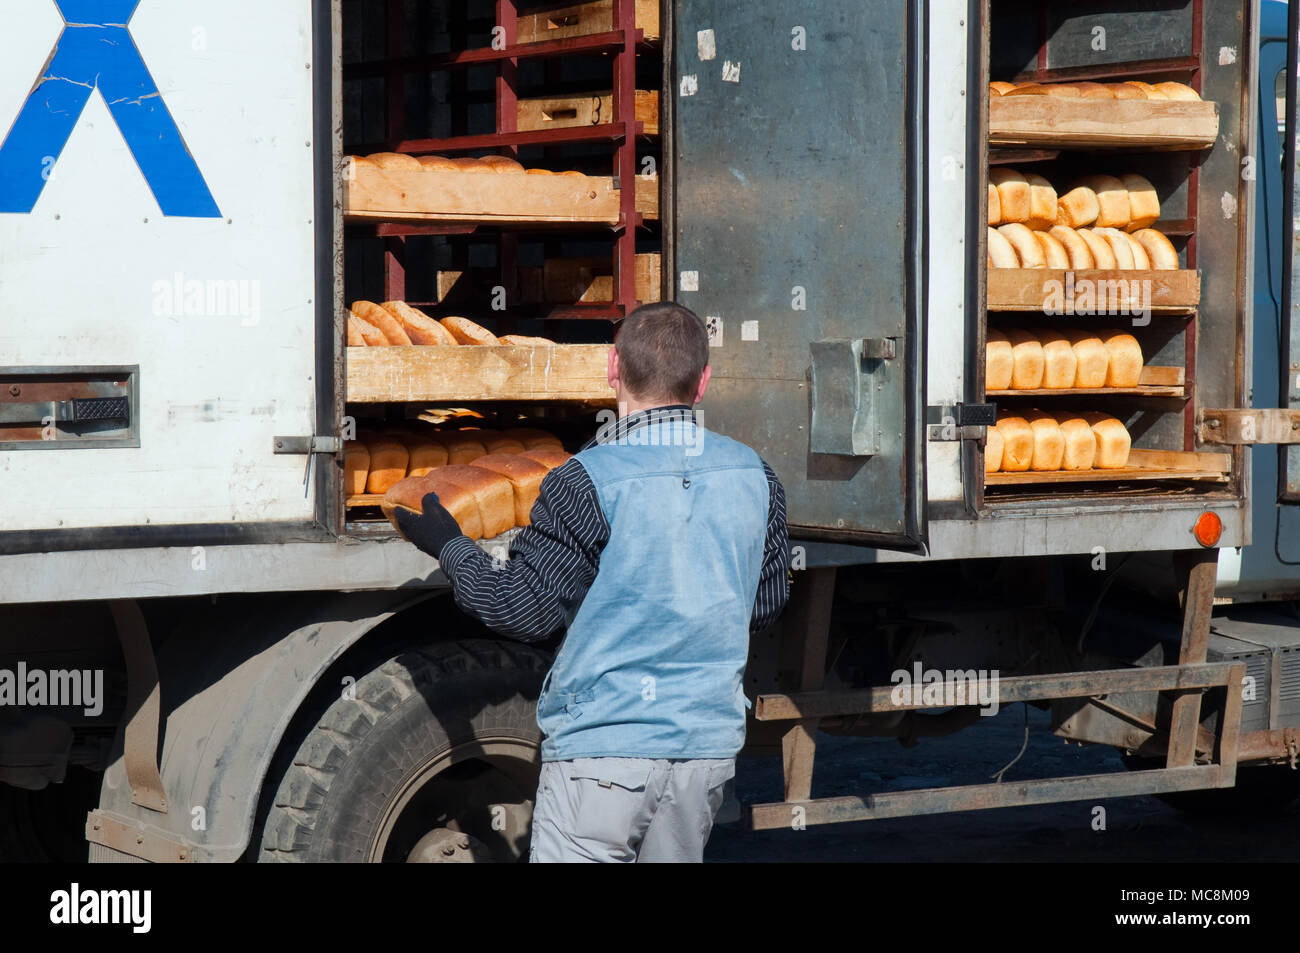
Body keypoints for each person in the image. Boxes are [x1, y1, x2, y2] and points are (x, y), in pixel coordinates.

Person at [394, 302, 791, 862]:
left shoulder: (584, 479)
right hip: (703, 752)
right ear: (702, 382)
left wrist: (450, 545)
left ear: (613, 369)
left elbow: (522, 611)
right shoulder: (757, 474)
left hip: (603, 754)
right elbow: (765, 604)